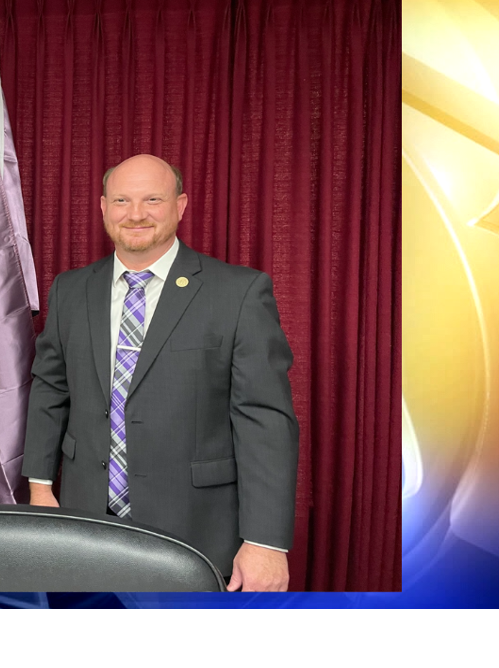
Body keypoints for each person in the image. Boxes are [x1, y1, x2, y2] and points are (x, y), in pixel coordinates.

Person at [22, 154, 299, 591]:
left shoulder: (239, 293)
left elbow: (265, 422)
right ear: (102, 207)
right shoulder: (71, 289)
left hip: (196, 531)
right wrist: (39, 488)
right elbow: (49, 389)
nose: (135, 214)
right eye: (122, 200)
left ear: (181, 205)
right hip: (85, 524)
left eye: (152, 199)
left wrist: (265, 541)